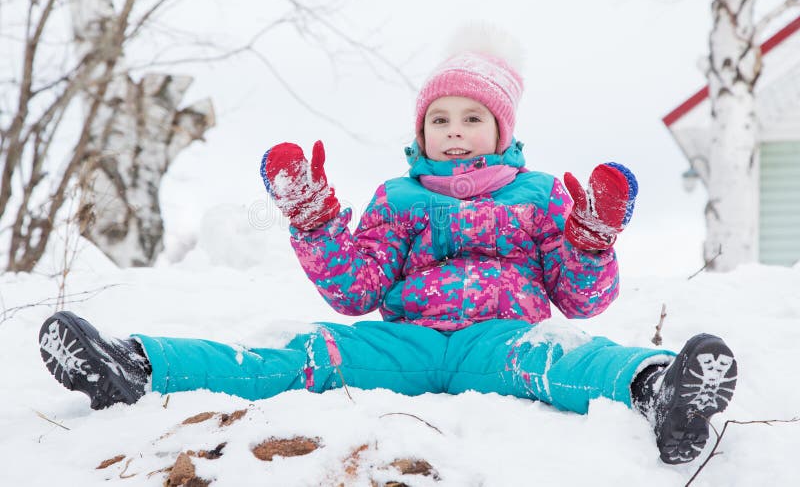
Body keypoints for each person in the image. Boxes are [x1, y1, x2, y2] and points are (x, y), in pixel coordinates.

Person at [39, 28, 737, 464]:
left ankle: (662, 391)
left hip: (502, 341)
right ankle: (136, 365)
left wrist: (588, 244)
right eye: (440, 118)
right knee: (298, 351)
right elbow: (357, 289)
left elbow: (581, 301)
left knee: (573, 356)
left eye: (472, 118)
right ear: (421, 130)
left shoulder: (540, 195)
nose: (455, 130)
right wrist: (316, 225)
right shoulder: (398, 198)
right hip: (404, 341)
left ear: (503, 130)